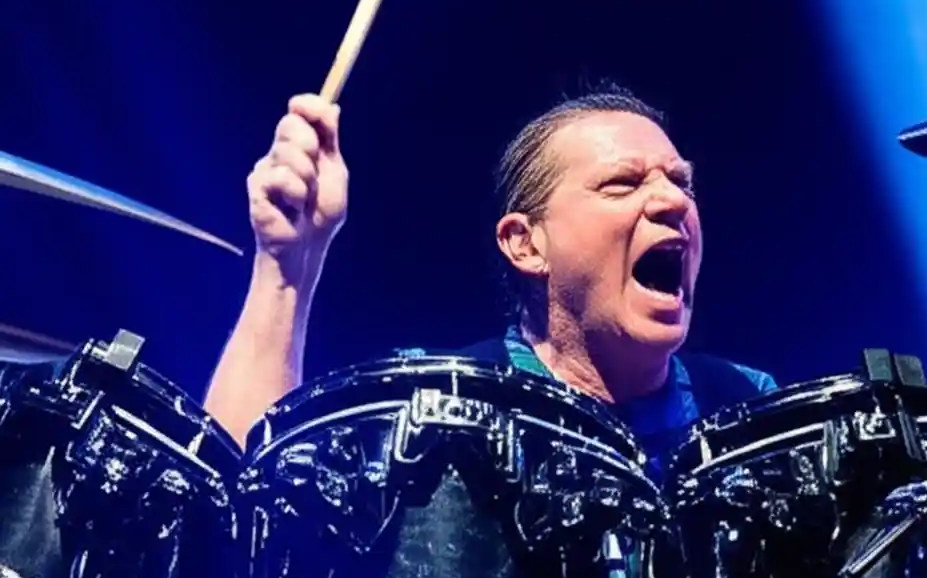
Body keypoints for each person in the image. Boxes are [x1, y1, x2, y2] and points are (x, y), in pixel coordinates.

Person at [203, 84, 777, 457]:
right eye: (623, 183)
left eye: (681, 182)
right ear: (525, 244)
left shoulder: (750, 410)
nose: (674, 202)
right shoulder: (429, 404)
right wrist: (285, 270)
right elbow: (244, 497)